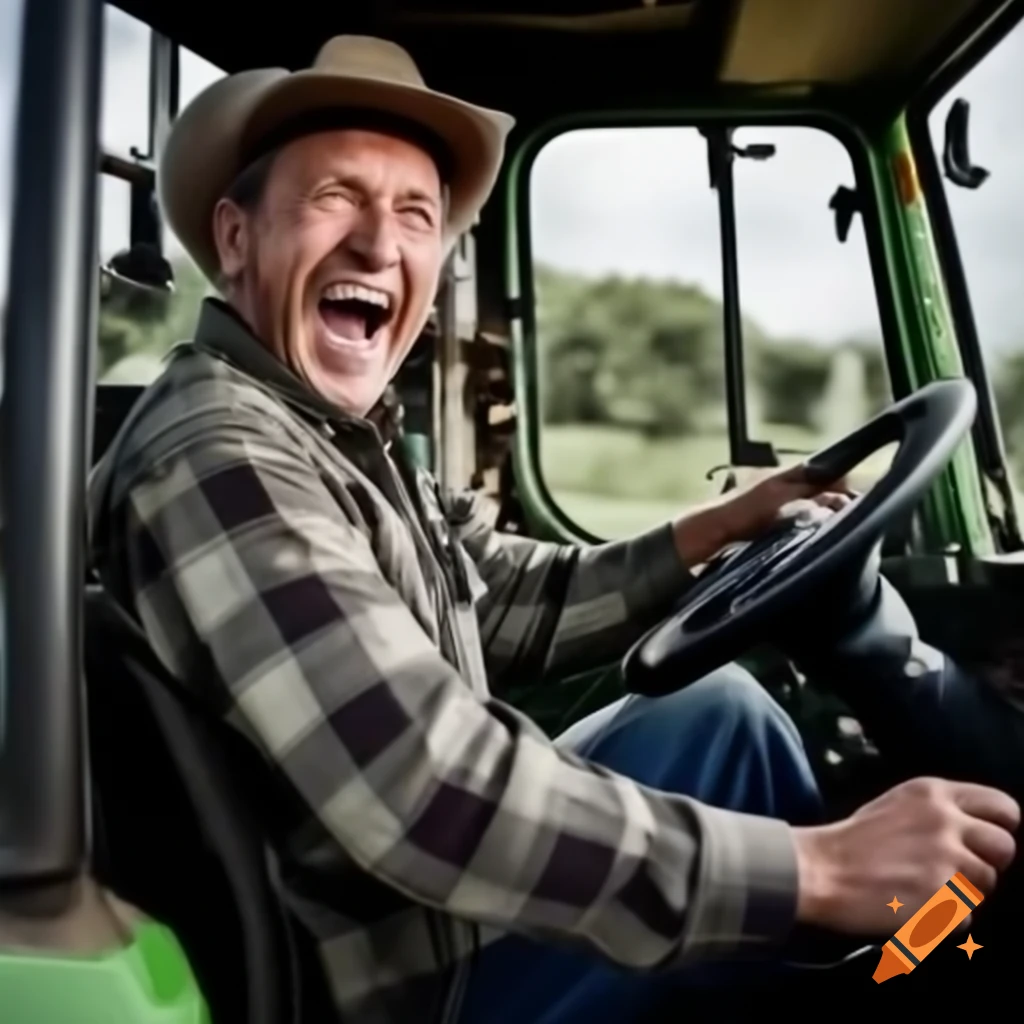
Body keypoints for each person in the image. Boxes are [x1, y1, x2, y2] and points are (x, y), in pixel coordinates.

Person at [87, 35, 1020, 1024]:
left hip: (435, 917)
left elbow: (494, 597)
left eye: (415, 214)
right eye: (335, 199)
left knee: (719, 711)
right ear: (235, 238)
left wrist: (720, 528)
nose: (379, 245)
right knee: (791, 843)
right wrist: (815, 867)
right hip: (412, 980)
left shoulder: (332, 435)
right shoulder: (221, 457)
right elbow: (420, 786)